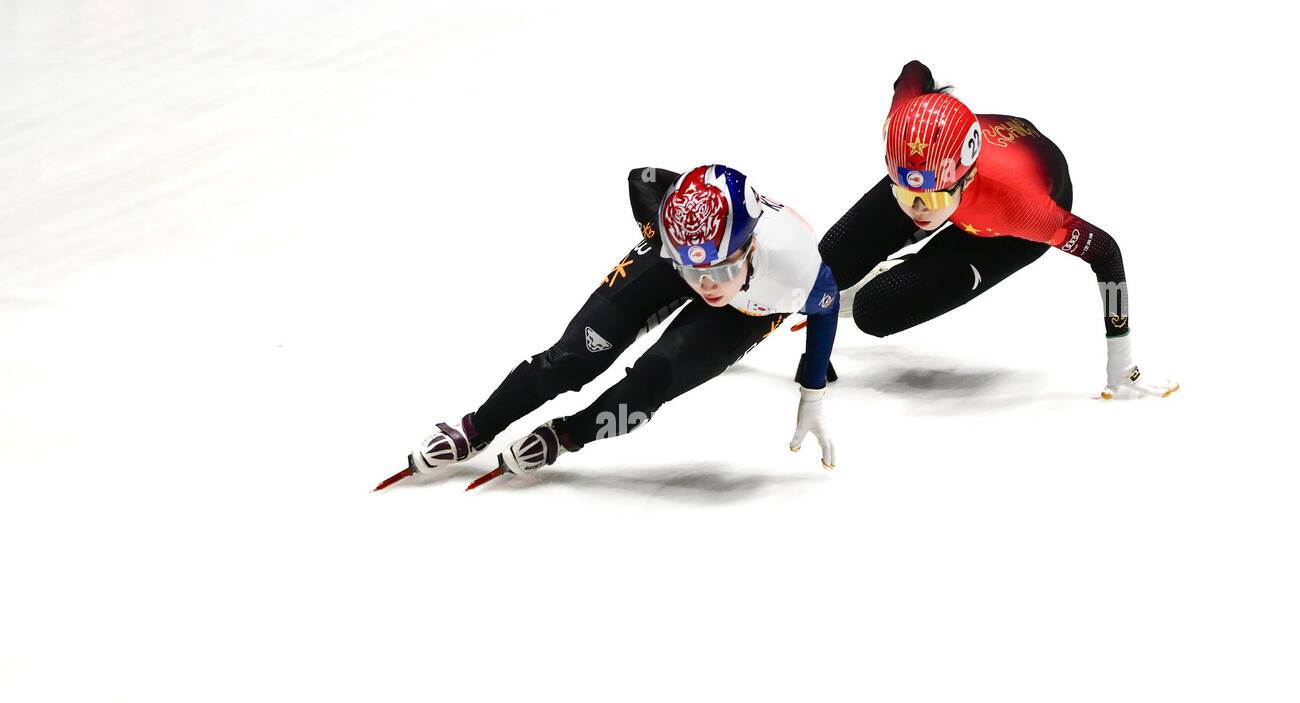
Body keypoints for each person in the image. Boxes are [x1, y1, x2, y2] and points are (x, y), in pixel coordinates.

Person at [399, 164, 841, 488]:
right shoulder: (679, 231)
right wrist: (663, 241)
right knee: (570, 360)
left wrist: (813, 391)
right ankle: (476, 427)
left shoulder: (795, 269)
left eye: (720, 272)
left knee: (649, 387)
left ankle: (569, 434)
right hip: (675, 254)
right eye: (694, 273)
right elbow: (643, 178)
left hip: (748, 310)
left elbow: (828, 303)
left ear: (749, 248)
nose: (707, 286)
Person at [818, 61, 1177, 399]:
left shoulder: (1023, 210)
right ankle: (911, 218)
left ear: (968, 176)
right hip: (944, 162)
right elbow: (915, 71)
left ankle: (891, 272)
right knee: (827, 261)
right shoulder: (909, 129)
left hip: (1006, 229)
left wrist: (1122, 359)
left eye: (934, 200)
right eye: (905, 193)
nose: (919, 210)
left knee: (874, 310)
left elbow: (1106, 252)